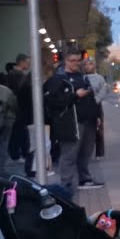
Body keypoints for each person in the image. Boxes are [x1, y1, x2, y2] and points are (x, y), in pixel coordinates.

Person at [44, 50, 101, 194]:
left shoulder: (83, 77)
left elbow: (93, 97)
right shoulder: (58, 79)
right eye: (72, 60)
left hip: (88, 120)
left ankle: (85, 178)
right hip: (71, 123)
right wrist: (75, 95)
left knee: (86, 152)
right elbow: (54, 102)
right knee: (69, 153)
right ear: (65, 62)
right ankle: (66, 184)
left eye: (78, 60)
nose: (76, 63)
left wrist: (97, 115)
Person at [5, 54, 35, 176]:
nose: (29, 65)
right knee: (22, 135)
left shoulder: (14, 76)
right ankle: (18, 155)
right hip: (20, 111)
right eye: (28, 62)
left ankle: (18, 154)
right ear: (21, 62)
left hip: (18, 111)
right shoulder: (18, 77)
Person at [83, 59, 108, 160]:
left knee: (98, 130)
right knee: (85, 130)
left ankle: (99, 153)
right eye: (86, 65)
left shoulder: (99, 78)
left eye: (90, 64)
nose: (88, 66)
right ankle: (85, 152)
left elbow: (104, 89)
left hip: (96, 105)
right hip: (84, 106)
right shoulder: (82, 77)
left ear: (94, 66)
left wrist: (96, 100)